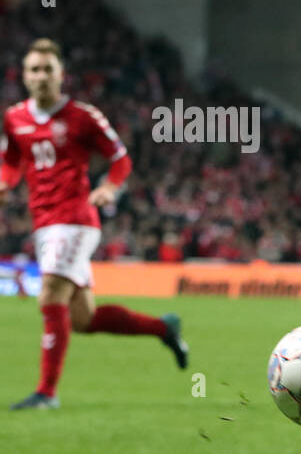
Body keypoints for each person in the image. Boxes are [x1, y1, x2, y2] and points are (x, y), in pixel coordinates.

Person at [0, 39, 188, 410]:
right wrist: (5, 182)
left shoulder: (83, 116)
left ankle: (46, 394)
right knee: (83, 319)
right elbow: (11, 160)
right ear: (24, 76)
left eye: (47, 69)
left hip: (75, 219)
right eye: (33, 69)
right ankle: (164, 328)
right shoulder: (14, 118)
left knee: (50, 292)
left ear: (61, 75)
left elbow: (120, 159)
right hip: (44, 222)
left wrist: (109, 187)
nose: (40, 76)